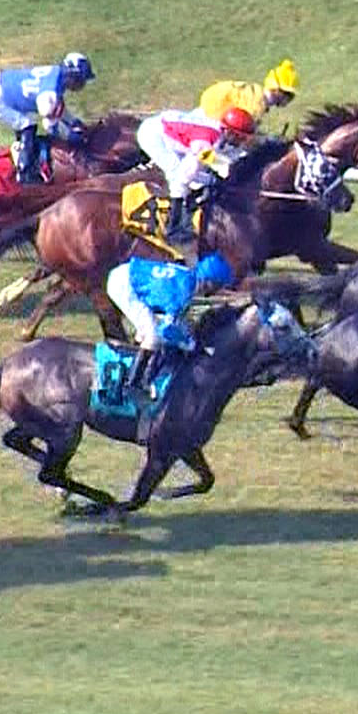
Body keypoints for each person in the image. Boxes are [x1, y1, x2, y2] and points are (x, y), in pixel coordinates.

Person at [103, 252, 237, 439]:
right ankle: (132, 385)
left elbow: (175, 322)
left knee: (151, 332)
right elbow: (167, 330)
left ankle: (139, 370)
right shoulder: (184, 291)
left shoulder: (189, 280)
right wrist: (189, 343)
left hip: (127, 276)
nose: (217, 291)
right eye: (218, 286)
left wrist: (186, 338)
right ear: (209, 282)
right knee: (152, 336)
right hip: (123, 284)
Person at [133, 106, 257, 246]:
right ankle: (173, 228)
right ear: (230, 133)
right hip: (152, 136)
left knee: (204, 176)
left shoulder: (220, 134)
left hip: (171, 131)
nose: (242, 142)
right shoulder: (206, 140)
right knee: (178, 176)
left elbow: (224, 158)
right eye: (241, 138)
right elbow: (187, 173)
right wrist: (212, 179)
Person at [0, 52, 95, 184]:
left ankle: (25, 154)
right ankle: (24, 172)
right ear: (72, 75)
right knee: (28, 125)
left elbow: (59, 107)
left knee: (27, 124)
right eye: (80, 80)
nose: (81, 85)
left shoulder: (56, 74)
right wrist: (71, 136)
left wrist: (74, 122)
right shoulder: (49, 93)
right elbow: (50, 126)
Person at [196, 59, 298, 125]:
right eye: (288, 95)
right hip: (209, 123)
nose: (289, 100)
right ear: (277, 90)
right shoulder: (257, 105)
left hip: (203, 114)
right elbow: (243, 132)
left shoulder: (255, 93)